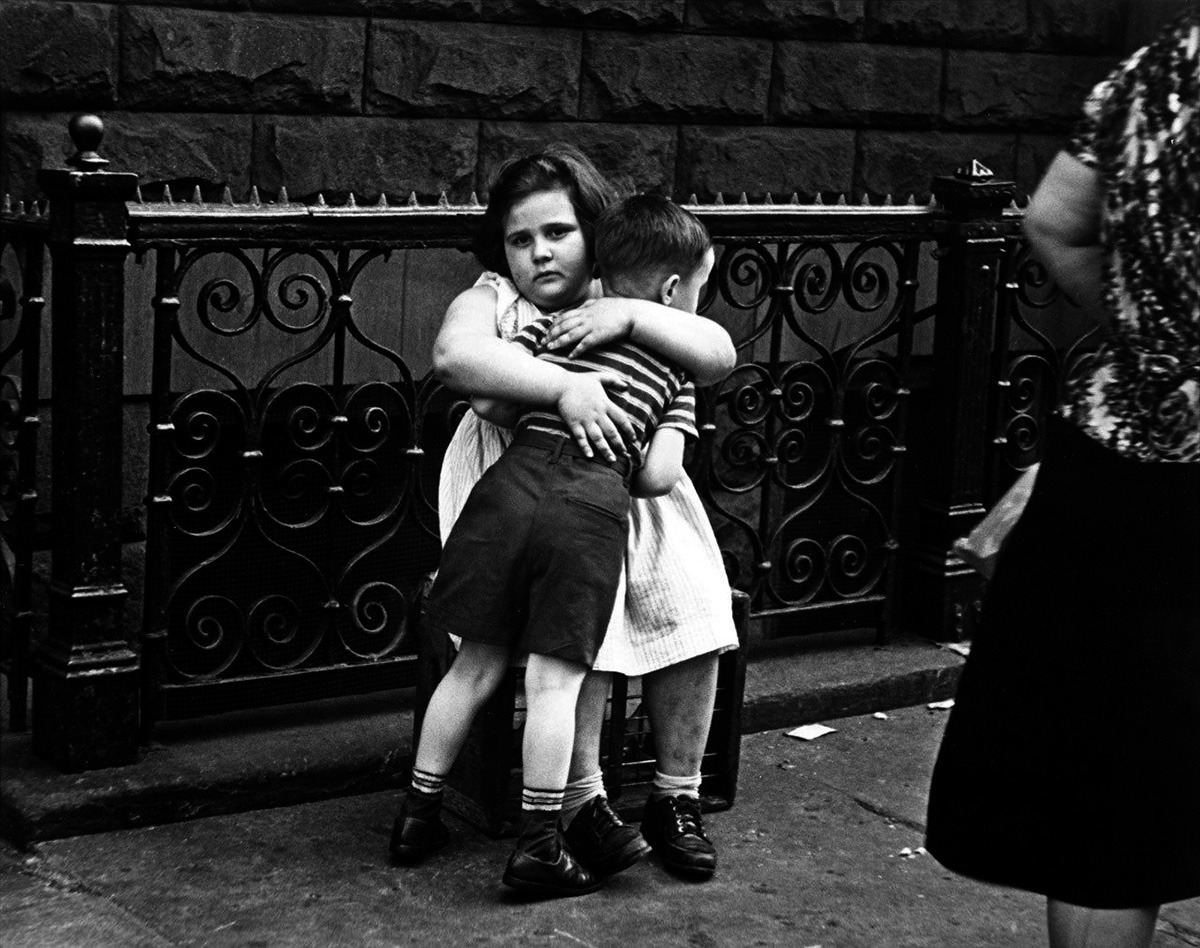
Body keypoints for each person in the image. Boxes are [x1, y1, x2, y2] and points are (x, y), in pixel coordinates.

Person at [925, 13, 1200, 948]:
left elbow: (1050, 219)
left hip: (1122, 463)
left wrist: (1154, 342)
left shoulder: (1157, 67)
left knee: (1106, 801)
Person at [411, 144, 739, 885]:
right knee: (583, 616)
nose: (539, 252)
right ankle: (580, 800)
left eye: (557, 232)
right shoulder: (493, 297)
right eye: (520, 239)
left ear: (594, 233)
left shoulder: (621, 295)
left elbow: (716, 351)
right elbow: (460, 361)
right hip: (512, 474)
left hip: (623, 478)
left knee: (690, 593)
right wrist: (564, 390)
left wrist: (627, 313)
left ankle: (674, 795)